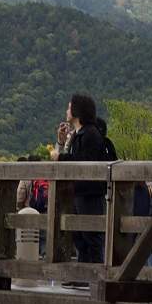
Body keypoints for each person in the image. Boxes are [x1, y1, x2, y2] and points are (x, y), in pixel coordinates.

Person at [57, 94, 117, 269]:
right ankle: (82, 275)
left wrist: (60, 157)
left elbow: (83, 162)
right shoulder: (80, 134)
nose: (67, 111)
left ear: (78, 110)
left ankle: (94, 275)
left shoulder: (90, 133)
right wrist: (61, 143)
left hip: (89, 193)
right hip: (80, 191)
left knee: (91, 236)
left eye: (70, 107)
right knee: (79, 237)